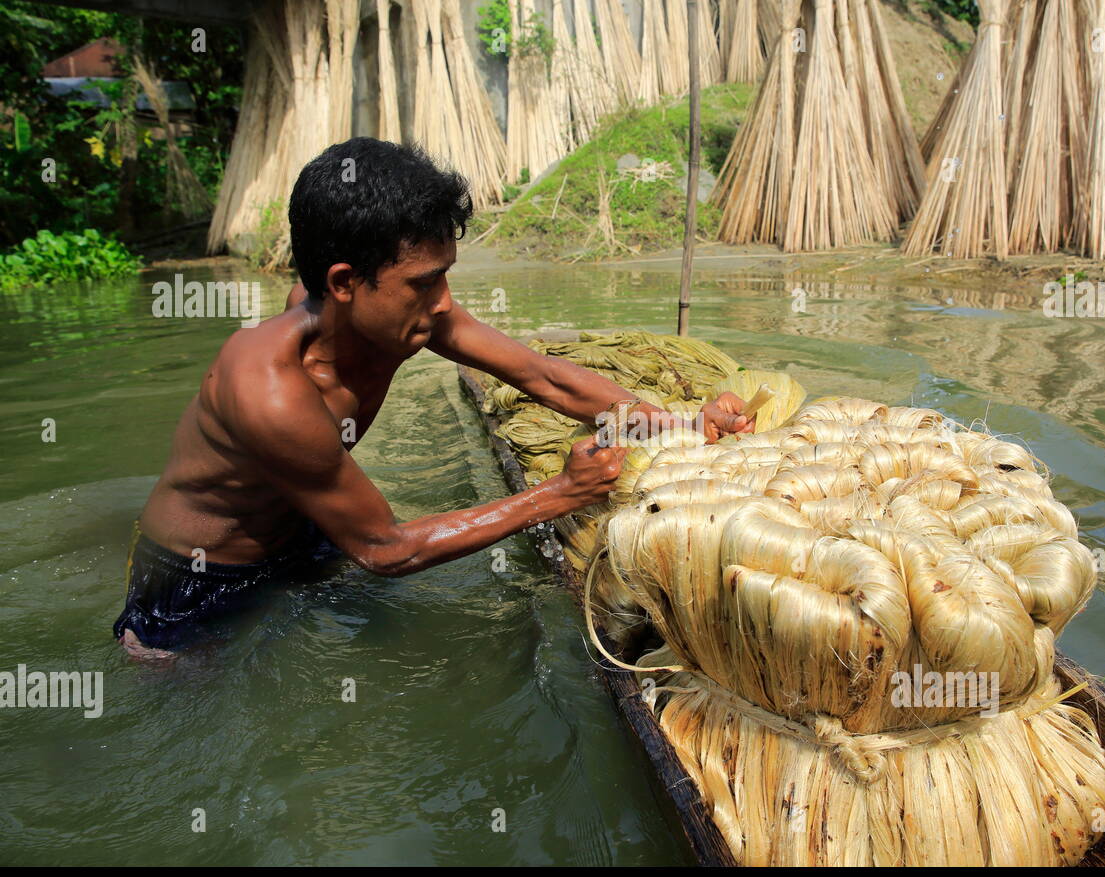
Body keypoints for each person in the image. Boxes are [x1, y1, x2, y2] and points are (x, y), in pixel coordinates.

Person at [114, 138, 753, 659]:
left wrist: (682, 425)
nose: (444, 299)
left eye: (446, 274)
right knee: (187, 706)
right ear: (344, 282)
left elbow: (544, 376)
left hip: (301, 529)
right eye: (424, 281)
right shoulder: (268, 390)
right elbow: (385, 549)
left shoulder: (398, 317)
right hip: (197, 579)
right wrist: (558, 495)